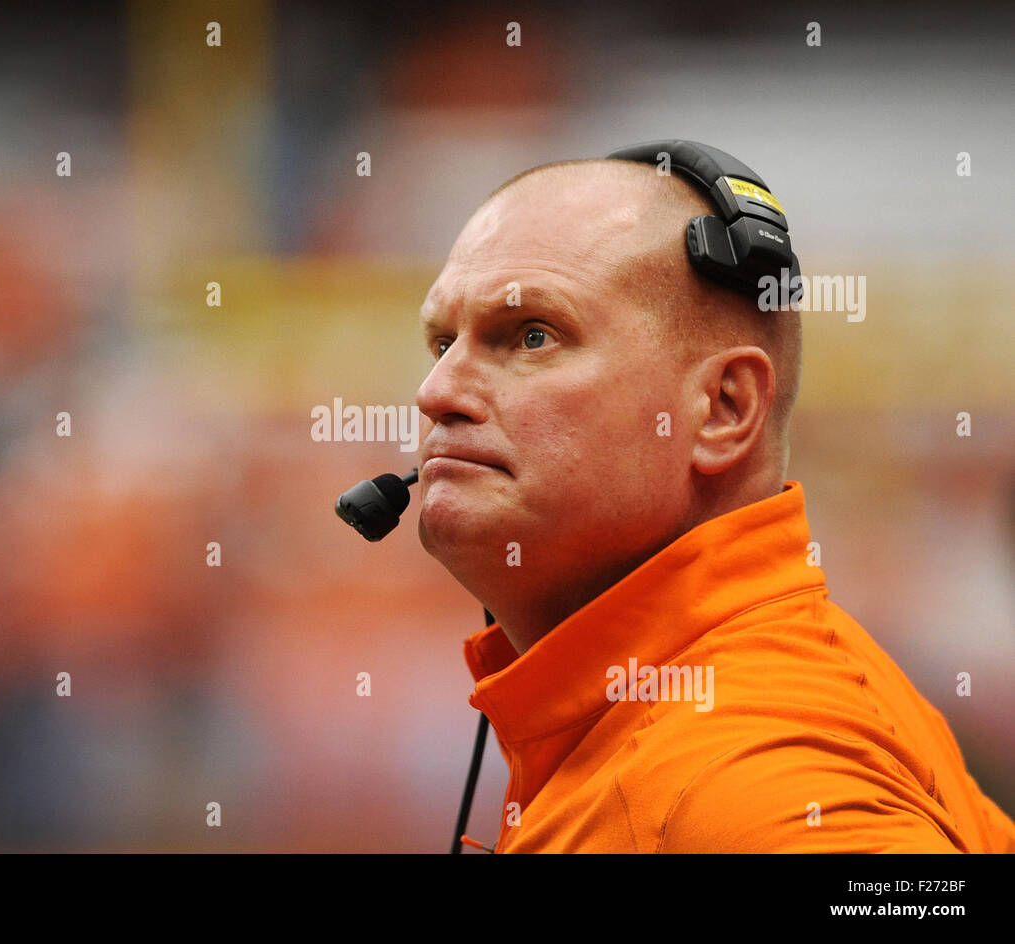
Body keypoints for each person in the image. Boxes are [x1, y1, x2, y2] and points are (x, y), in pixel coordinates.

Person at [415, 155, 1015, 853]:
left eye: (532, 335)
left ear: (724, 409)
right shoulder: (668, 720)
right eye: (440, 342)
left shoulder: (745, 770)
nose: (436, 391)